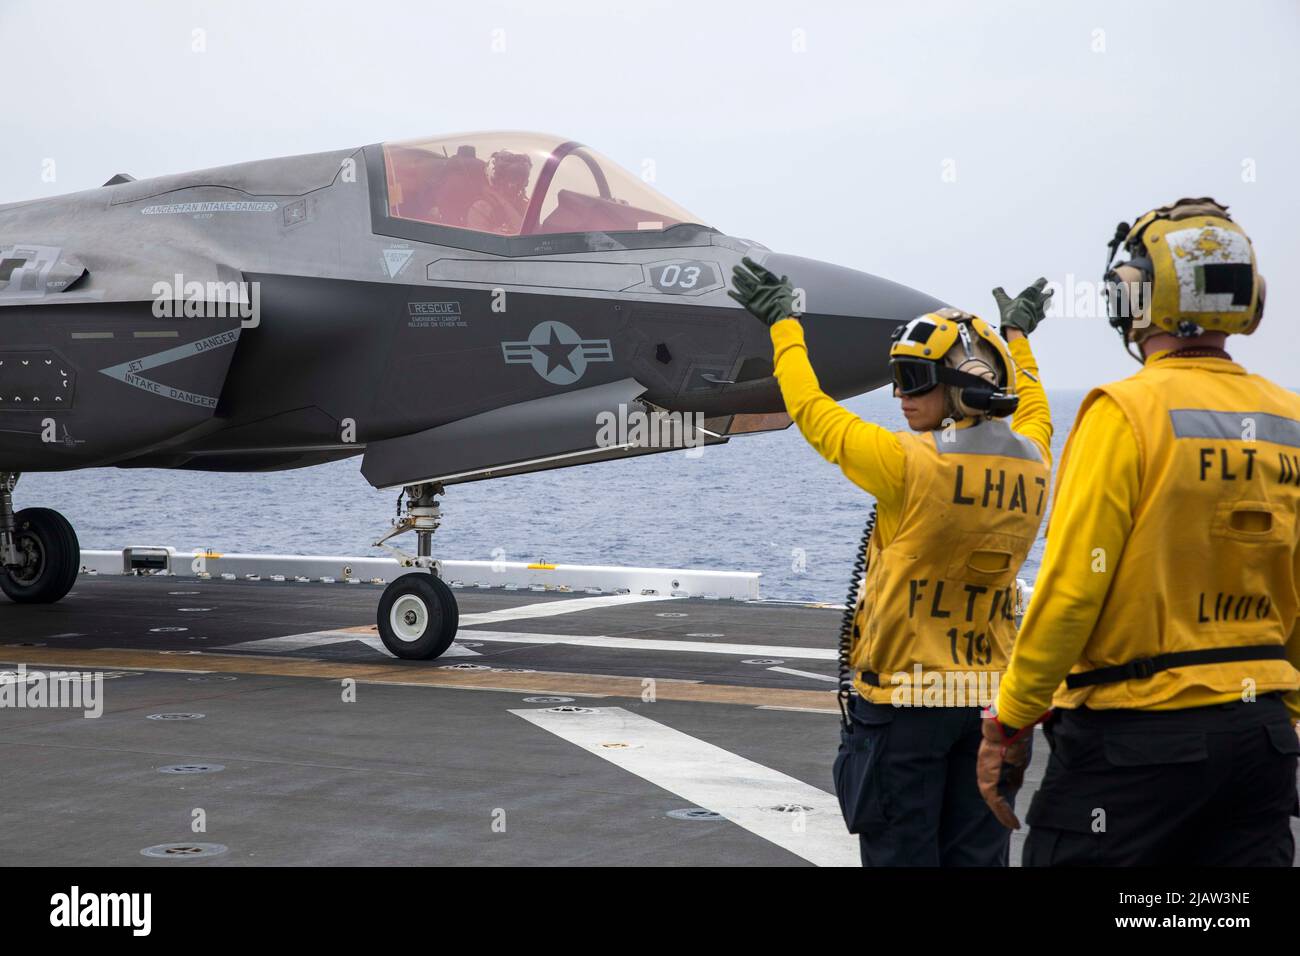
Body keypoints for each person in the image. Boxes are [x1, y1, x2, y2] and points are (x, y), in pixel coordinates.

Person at [978, 197, 1300, 866]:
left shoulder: (1124, 413)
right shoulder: (1290, 421)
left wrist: (1010, 720)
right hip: (1262, 741)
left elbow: (1071, 592)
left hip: (1136, 748)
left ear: (1132, 298)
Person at [730, 258, 1053, 866]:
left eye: (914, 378)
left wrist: (783, 326)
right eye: (898, 378)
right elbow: (1030, 401)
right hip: (988, 706)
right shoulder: (1034, 457)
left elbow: (813, 411)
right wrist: (1018, 339)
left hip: (905, 708)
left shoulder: (906, 463)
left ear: (962, 384)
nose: (901, 395)